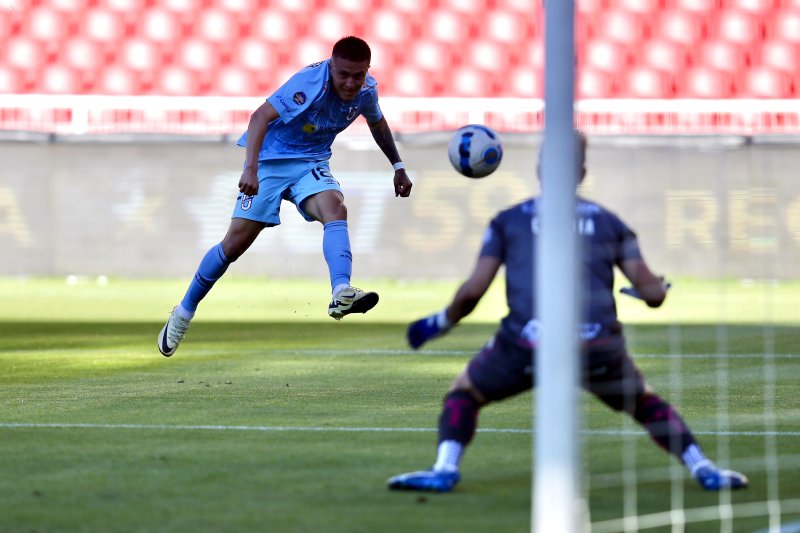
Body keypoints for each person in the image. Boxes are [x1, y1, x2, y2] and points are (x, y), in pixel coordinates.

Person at [387, 132, 748, 493]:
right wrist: (657, 289)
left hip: (526, 343)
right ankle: (703, 468)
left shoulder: (509, 221)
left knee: (464, 392)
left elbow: (473, 291)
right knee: (643, 402)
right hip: (596, 345)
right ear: (582, 173)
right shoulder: (610, 223)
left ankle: (444, 469)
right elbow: (653, 294)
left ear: (541, 169)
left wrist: (440, 322)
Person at [158, 36, 412, 357]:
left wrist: (398, 165)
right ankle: (183, 313)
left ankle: (341, 291)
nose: (350, 83)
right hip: (271, 160)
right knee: (234, 245)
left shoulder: (366, 91)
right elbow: (259, 117)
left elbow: (377, 122)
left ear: (367, 71)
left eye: (357, 75)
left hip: (311, 161)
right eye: (343, 74)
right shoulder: (308, 84)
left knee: (336, 209)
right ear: (332, 66)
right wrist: (250, 168)